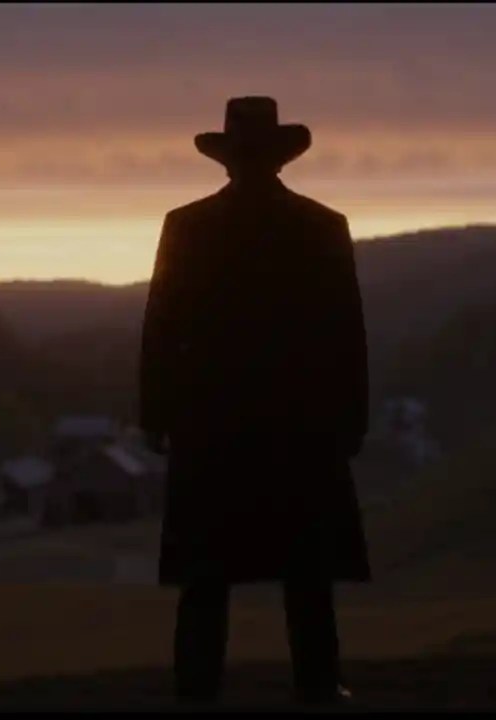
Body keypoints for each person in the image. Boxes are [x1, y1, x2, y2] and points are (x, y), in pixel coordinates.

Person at [139, 96, 371, 705]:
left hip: (211, 422)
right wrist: (352, 417)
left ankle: (196, 687)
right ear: (279, 157)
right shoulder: (322, 225)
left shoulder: (185, 226)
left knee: (205, 573)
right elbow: (347, 332)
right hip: (302, 421)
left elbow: (161, 325)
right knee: (307, 570)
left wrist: (156, 411)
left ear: (227, 159)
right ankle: (319, 684)